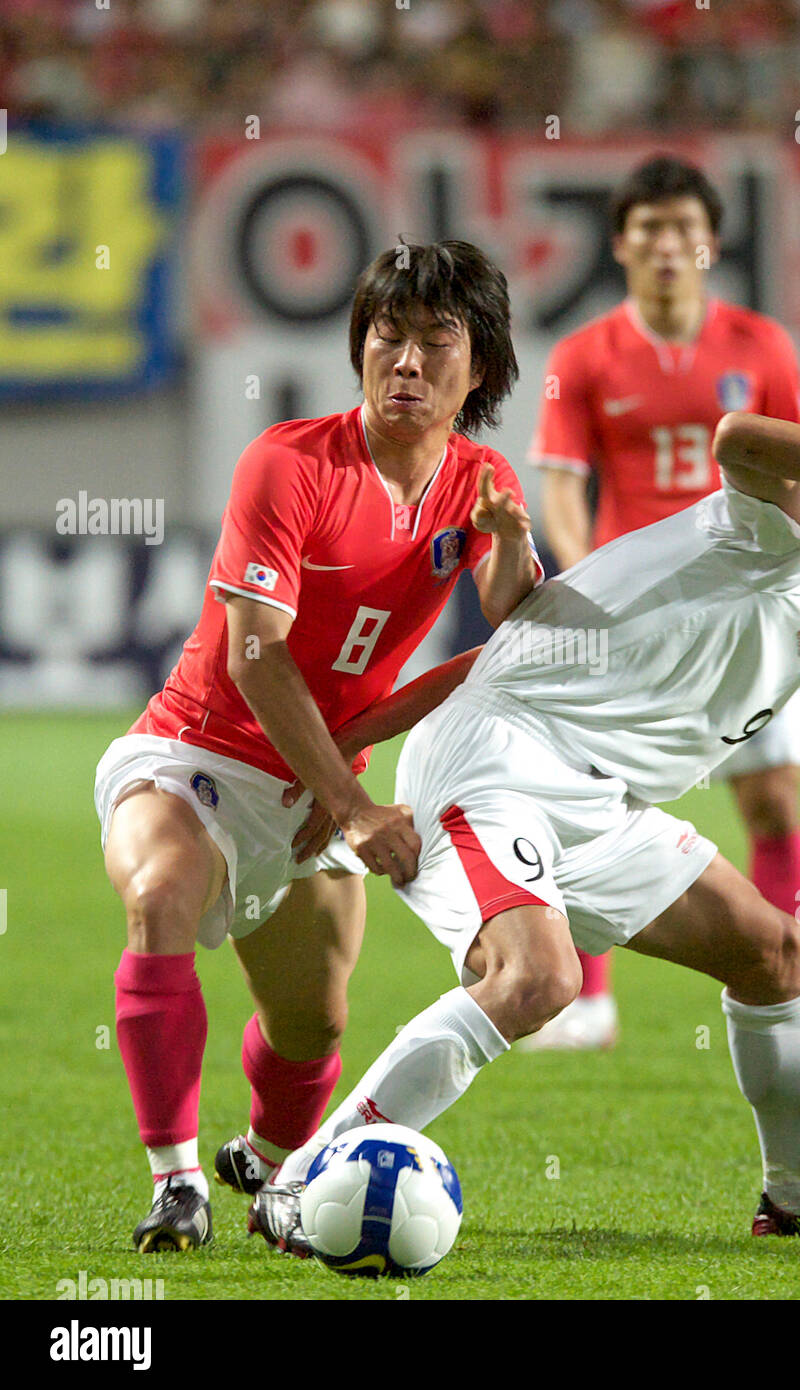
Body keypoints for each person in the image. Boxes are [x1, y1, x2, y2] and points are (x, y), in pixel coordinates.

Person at [247, 411, 800, 1250]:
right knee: (536, 982)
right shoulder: (797, 544)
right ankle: (300, 1182)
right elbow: (737, 436)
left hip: (593, 802)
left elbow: (512, 648)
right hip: (500, 765)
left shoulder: (793, 622)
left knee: (775, 953)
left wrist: (357, 739)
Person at [94, 240, 540, 1252]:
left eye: (437, 343)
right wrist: (349, 799)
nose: (409, 363)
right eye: (389, 338)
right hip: (194, 755)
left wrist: (510, 545)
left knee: (313, 1032)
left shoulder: (480, 481)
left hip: (314, 788)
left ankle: (263, 1156)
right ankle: (174, 1183)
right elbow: (256, 659)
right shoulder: (290, 463)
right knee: (161, 894)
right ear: (360, 347)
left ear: (481, 369)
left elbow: (507, 637)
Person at [530, 155, 800, 1052]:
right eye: (648, 229)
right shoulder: (584, 354)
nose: (667, 245)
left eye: (683, 229)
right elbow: (560, 484)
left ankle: (798, 995)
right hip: (636, 611)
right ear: (620, 243)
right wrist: (591, 583)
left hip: (750, 609)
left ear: (709, 244)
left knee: (772, 800)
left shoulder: (761, 347)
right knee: (589, 798)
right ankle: (587, 1002)